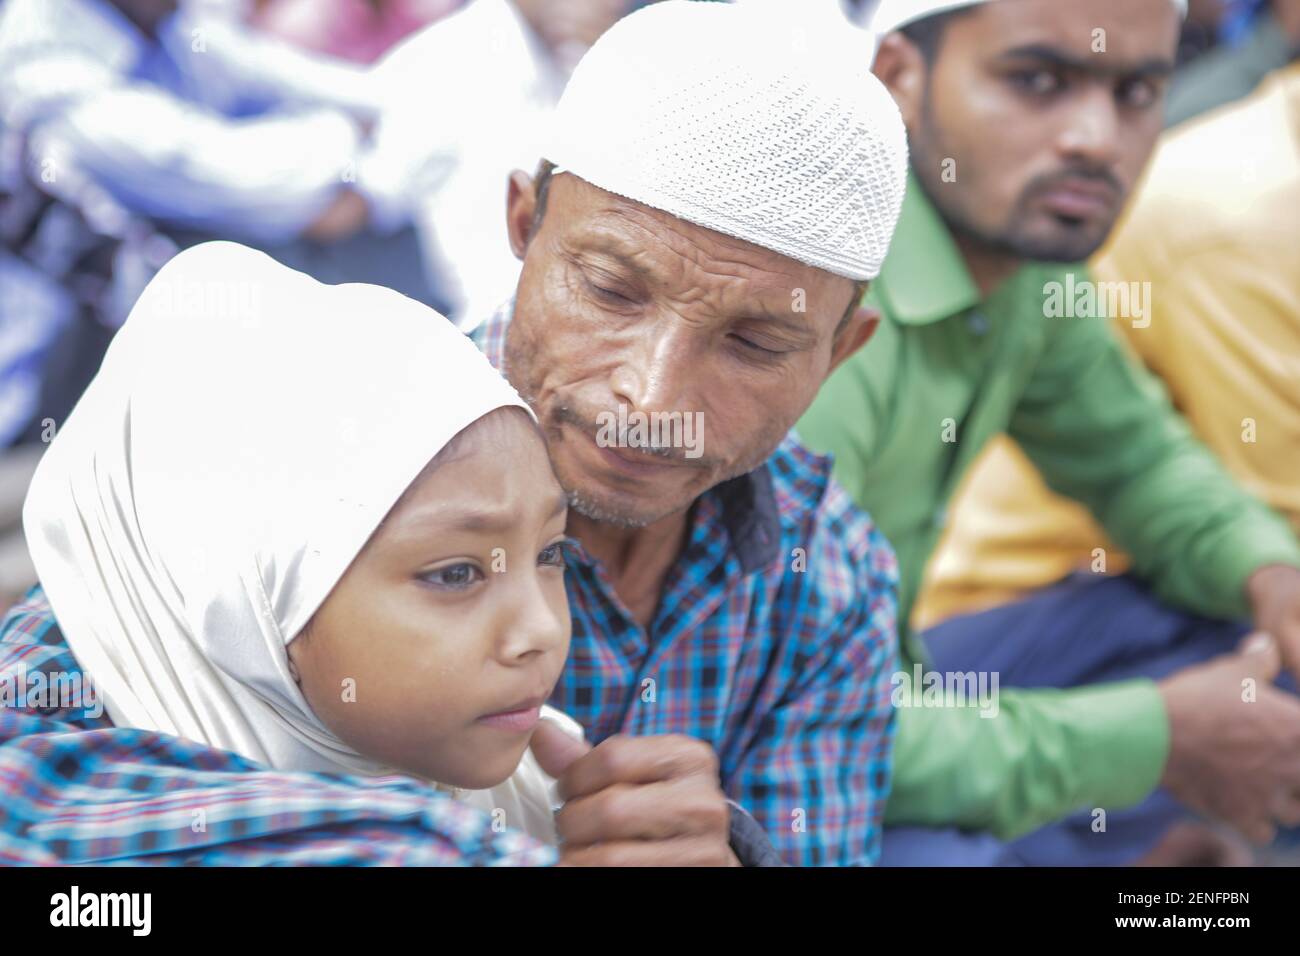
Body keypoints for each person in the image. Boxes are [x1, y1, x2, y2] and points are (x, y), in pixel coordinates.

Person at [2, 0, 907, 866]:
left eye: (754, 343)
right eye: (609, 289)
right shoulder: (322, 438)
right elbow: (24, 763)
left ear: (838, 352)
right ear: (522, 225)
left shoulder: (827, 575)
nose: (651, 394)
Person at [796, 0, 1300, 866]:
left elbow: (1137, 464)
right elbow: (802, 716)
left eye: (1138, 90)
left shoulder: (1025, 265)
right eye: (1036, 80)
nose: (1096, 139)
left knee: (1248, 638)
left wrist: (1272, 574)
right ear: (898, 79)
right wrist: (1155, 740)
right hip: (798, 734)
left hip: (912, 668)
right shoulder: (811, 307)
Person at [19, 238, 593, 848]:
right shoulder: (52, 797)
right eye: (456, 574)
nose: (543, 631)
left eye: (550, 552)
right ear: (245, 599)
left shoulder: (555, 794)